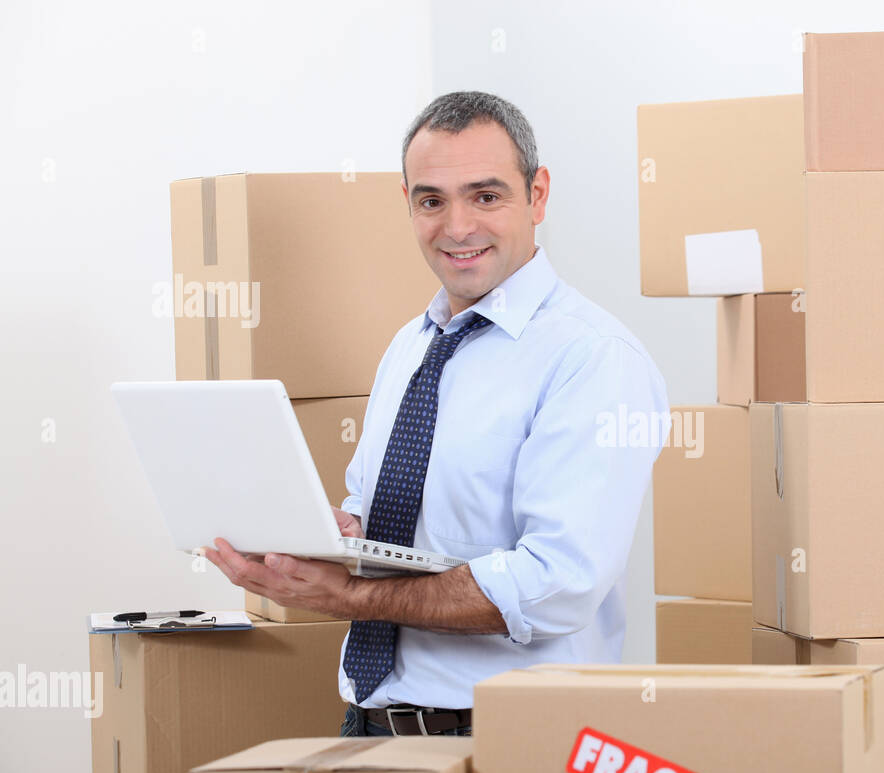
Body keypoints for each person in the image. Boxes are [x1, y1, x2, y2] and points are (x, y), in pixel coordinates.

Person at [202, 90, 668, 737]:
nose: (456, 227)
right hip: (372, 721)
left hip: (510, 739)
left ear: (537, 196)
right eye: (432, 200)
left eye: (485, 196)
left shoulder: (592, 359)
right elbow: (381, 509)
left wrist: (349, 598)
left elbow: (557, 582)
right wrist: (322, 536)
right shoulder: (412, 345)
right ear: (409, 206)